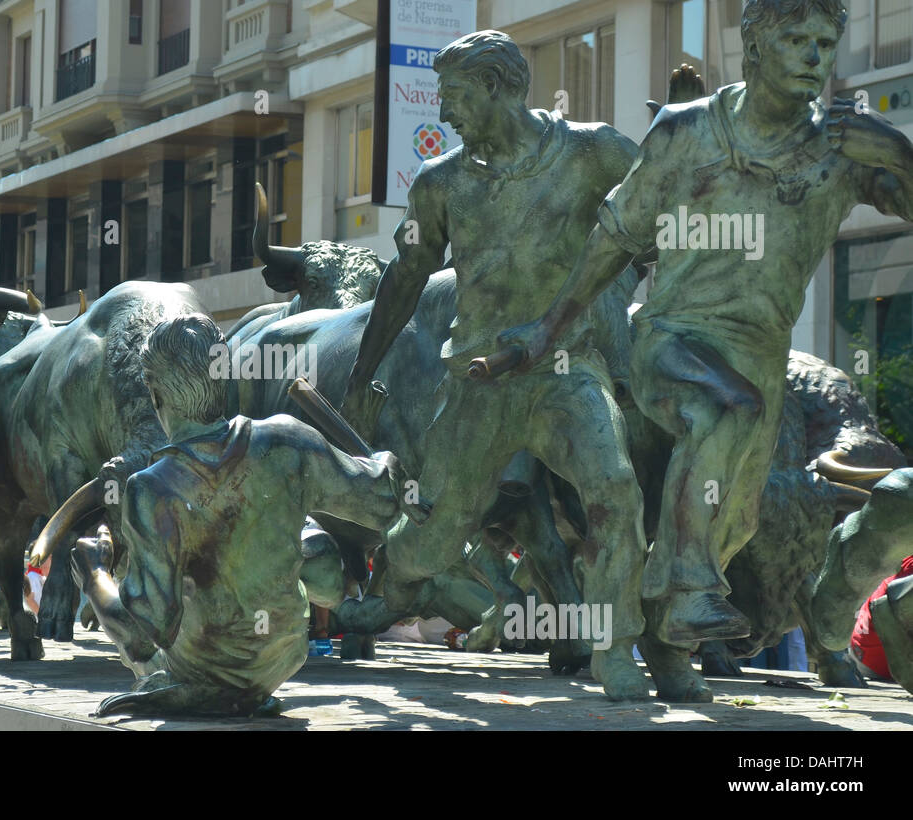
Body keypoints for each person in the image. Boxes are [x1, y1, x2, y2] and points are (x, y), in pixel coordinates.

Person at [487, 0, 913, 652]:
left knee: (738, 519)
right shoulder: (688, 131)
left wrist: (899, 152)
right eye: (795, 39)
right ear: (754, 43)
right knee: (727, 410)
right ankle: (684, 584)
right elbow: (614, 237)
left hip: (762, 357)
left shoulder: (843, 149)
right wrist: (548, 327)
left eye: (825, 44)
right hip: (674, 339)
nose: (812, 57)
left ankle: (666, 603)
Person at [338, 30, 693, 700]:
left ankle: (616, 648)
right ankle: (394, 585)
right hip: (478, 385)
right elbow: (406, 275)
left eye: (457, 96)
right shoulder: (441, 184)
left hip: (565, 373)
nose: (444, 114)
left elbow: (662, 203)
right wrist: (361, 375)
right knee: (430, 537)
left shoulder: (592, 151)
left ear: (501, 87)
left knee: (615, 492)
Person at [71, 315, 408, 717]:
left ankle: (188, 689)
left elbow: (144, 634)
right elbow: (382, 500)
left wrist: (94, 576)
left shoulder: (153, 489)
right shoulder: (288, 438)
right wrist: (378, 461)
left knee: (150, 639)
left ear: (155, 392)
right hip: (280, 660)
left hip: (204, 671)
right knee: (305, 542)